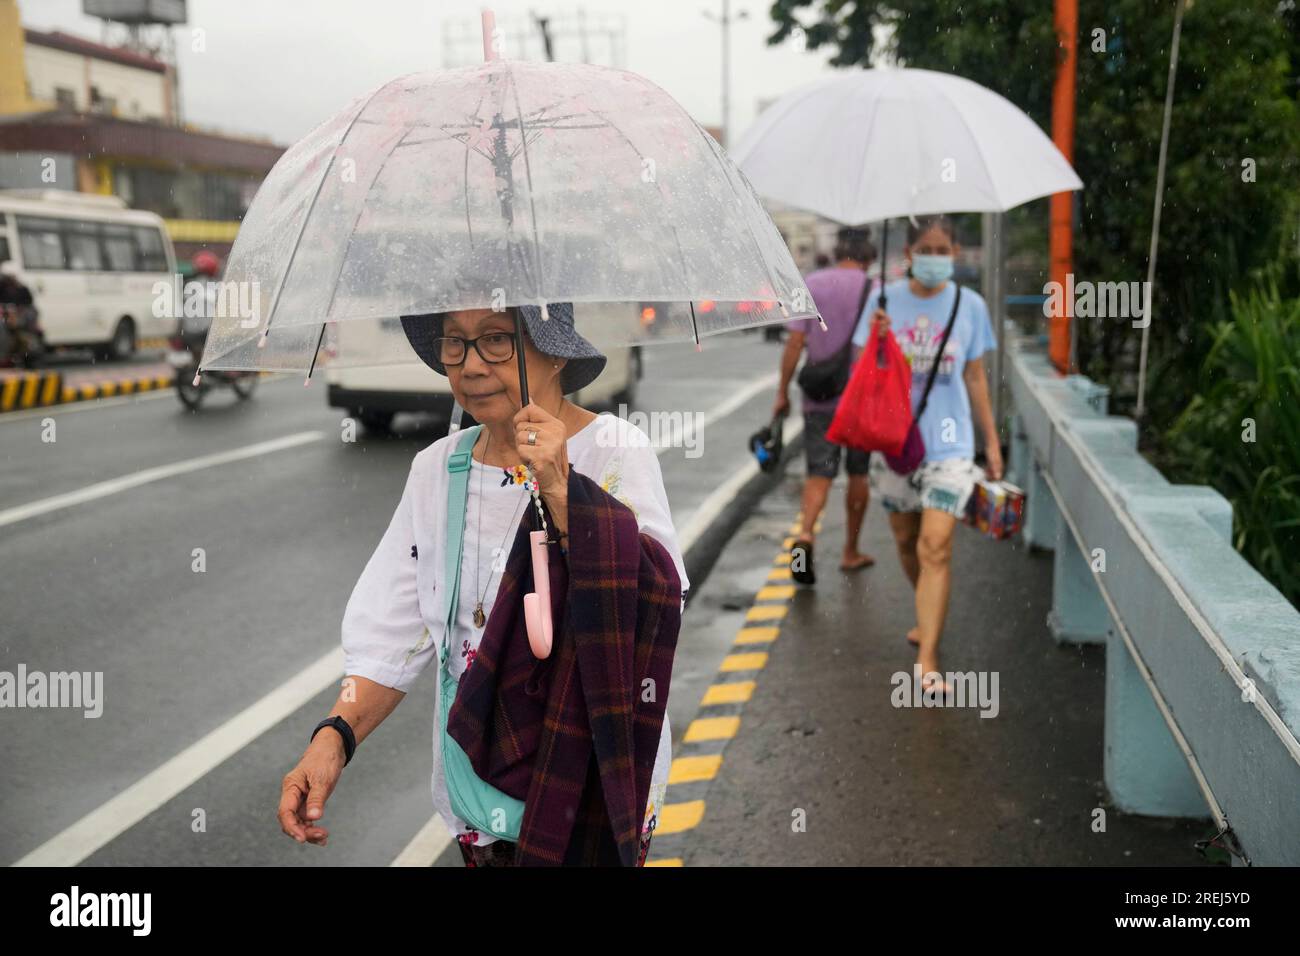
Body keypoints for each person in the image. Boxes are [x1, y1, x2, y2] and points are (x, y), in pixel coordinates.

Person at [277, 302, 690, 866]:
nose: (470, 365)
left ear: (553, 350)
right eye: (455, 343)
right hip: (480, 784)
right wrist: (332, 740)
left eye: (496, 340)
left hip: (592, 775)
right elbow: (391, 637)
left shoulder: (615, 450)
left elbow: (655, 607)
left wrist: (565, 493)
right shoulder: (435, 471)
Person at [850, 215, 1002, 693]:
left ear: (955, 254)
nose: (935, 257)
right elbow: (862, 375)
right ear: (909, 252)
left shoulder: (970, 305)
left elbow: (976, 377)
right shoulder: (882, 301)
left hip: (951, 447)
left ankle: (929, 660)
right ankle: (926, 609)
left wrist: (991, 443)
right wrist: (876, 338)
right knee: (904, 539)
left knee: (934, 545)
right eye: (926, 248)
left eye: (943, 249)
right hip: (896, 443)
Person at [773, 226, 878, 585]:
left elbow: (794, 343)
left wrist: (782, 392)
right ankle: (850, 550)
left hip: (819, 399)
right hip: (861, 401)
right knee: (859, 474)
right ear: (869, 256)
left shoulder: (812, 284)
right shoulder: (876, 290)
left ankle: (805, 537)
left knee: (819, 473)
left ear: (838, 253)